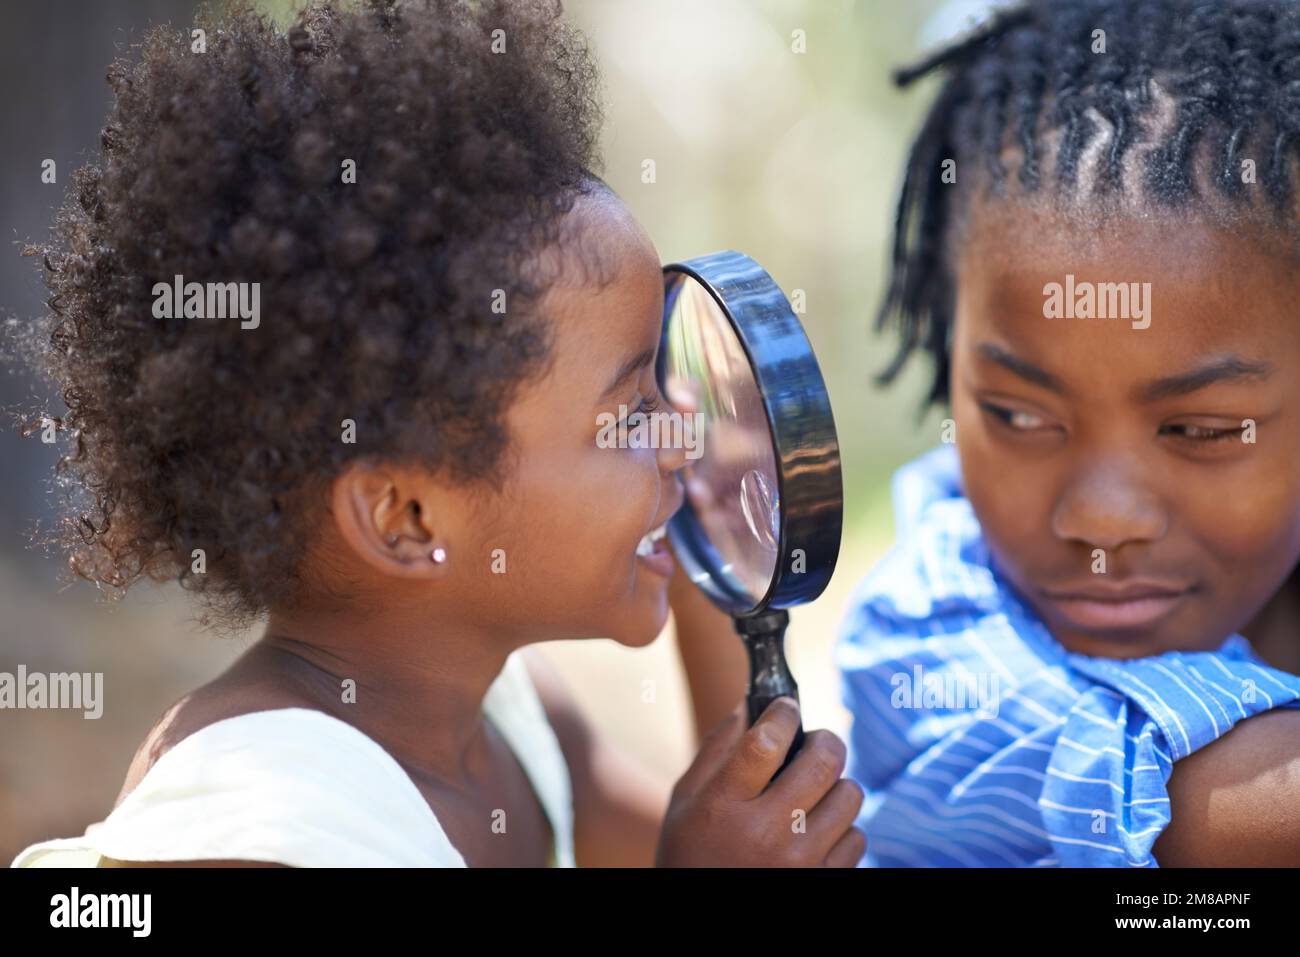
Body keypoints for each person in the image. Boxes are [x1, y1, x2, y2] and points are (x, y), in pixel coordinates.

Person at [10, 0, 864, 868]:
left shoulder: (514, 725)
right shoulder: (258, 823)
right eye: (630, 411)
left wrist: (722, 552)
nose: (685, 433)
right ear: (406, 518)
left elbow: (745, 832)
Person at [836, 0, 1300, 867]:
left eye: (1198, 428)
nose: (1101, 519)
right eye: (1017, 416)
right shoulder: (932, 629)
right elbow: (1200, 804)